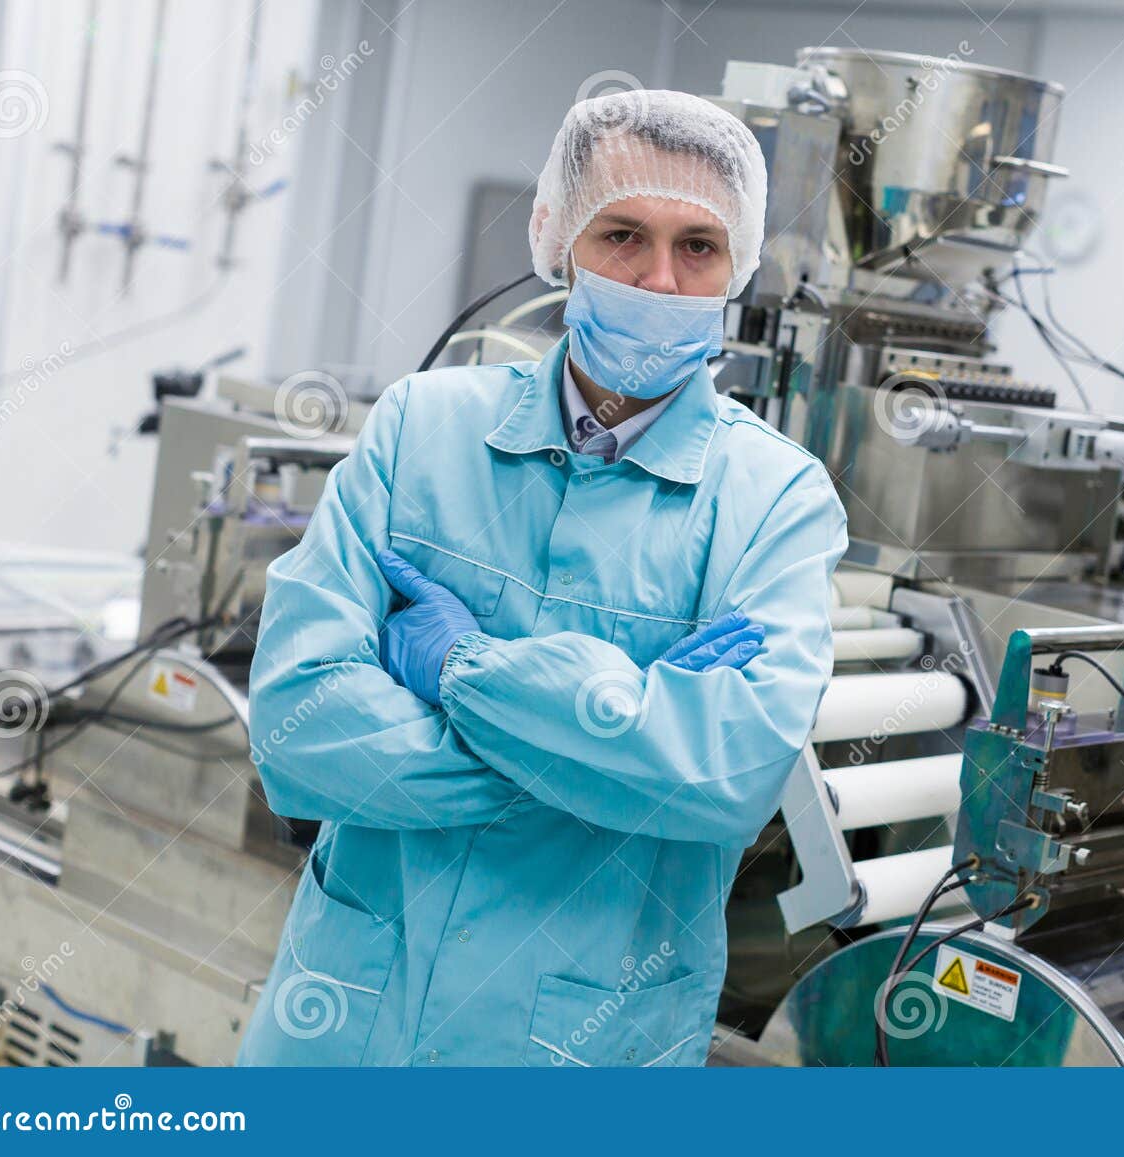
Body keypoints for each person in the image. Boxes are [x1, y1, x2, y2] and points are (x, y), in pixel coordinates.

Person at [234, 88, 847, 1067]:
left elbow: (725, 782)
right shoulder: (420, 428)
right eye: (621, 235)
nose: (659, 276)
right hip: (342, 1030)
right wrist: (607, 740)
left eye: (698, 245)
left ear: (738, 267)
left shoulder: (776, 499)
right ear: (555, 237)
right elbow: (298, 728)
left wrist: (460, 669)